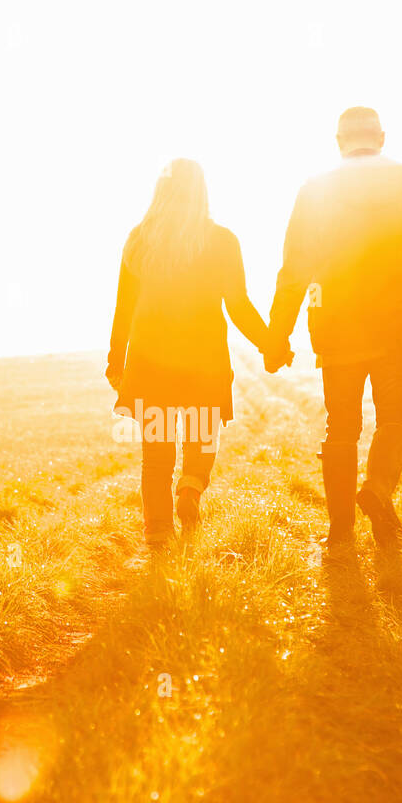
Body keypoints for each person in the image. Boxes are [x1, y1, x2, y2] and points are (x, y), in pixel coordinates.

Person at [264, 107, 402, 550]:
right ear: (381, 137)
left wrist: (277, 335)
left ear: (338, 141)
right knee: (396, 420)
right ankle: (378, 491)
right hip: (397, 326)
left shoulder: (316, 189)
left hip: (336, 325)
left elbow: (294, 269)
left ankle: (340, 531)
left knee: (341, 428)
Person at [107, 158, 274, 548]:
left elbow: (124, 308)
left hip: (150, 364)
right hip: (204, 362)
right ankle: (191, 489)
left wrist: (116, 362)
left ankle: (158, 535)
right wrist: (271, 344)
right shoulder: (220, 240)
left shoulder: (139, 239)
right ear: (202, 191)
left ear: (160, 191)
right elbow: (238, 304)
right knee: (201, 438)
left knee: (157, 457)